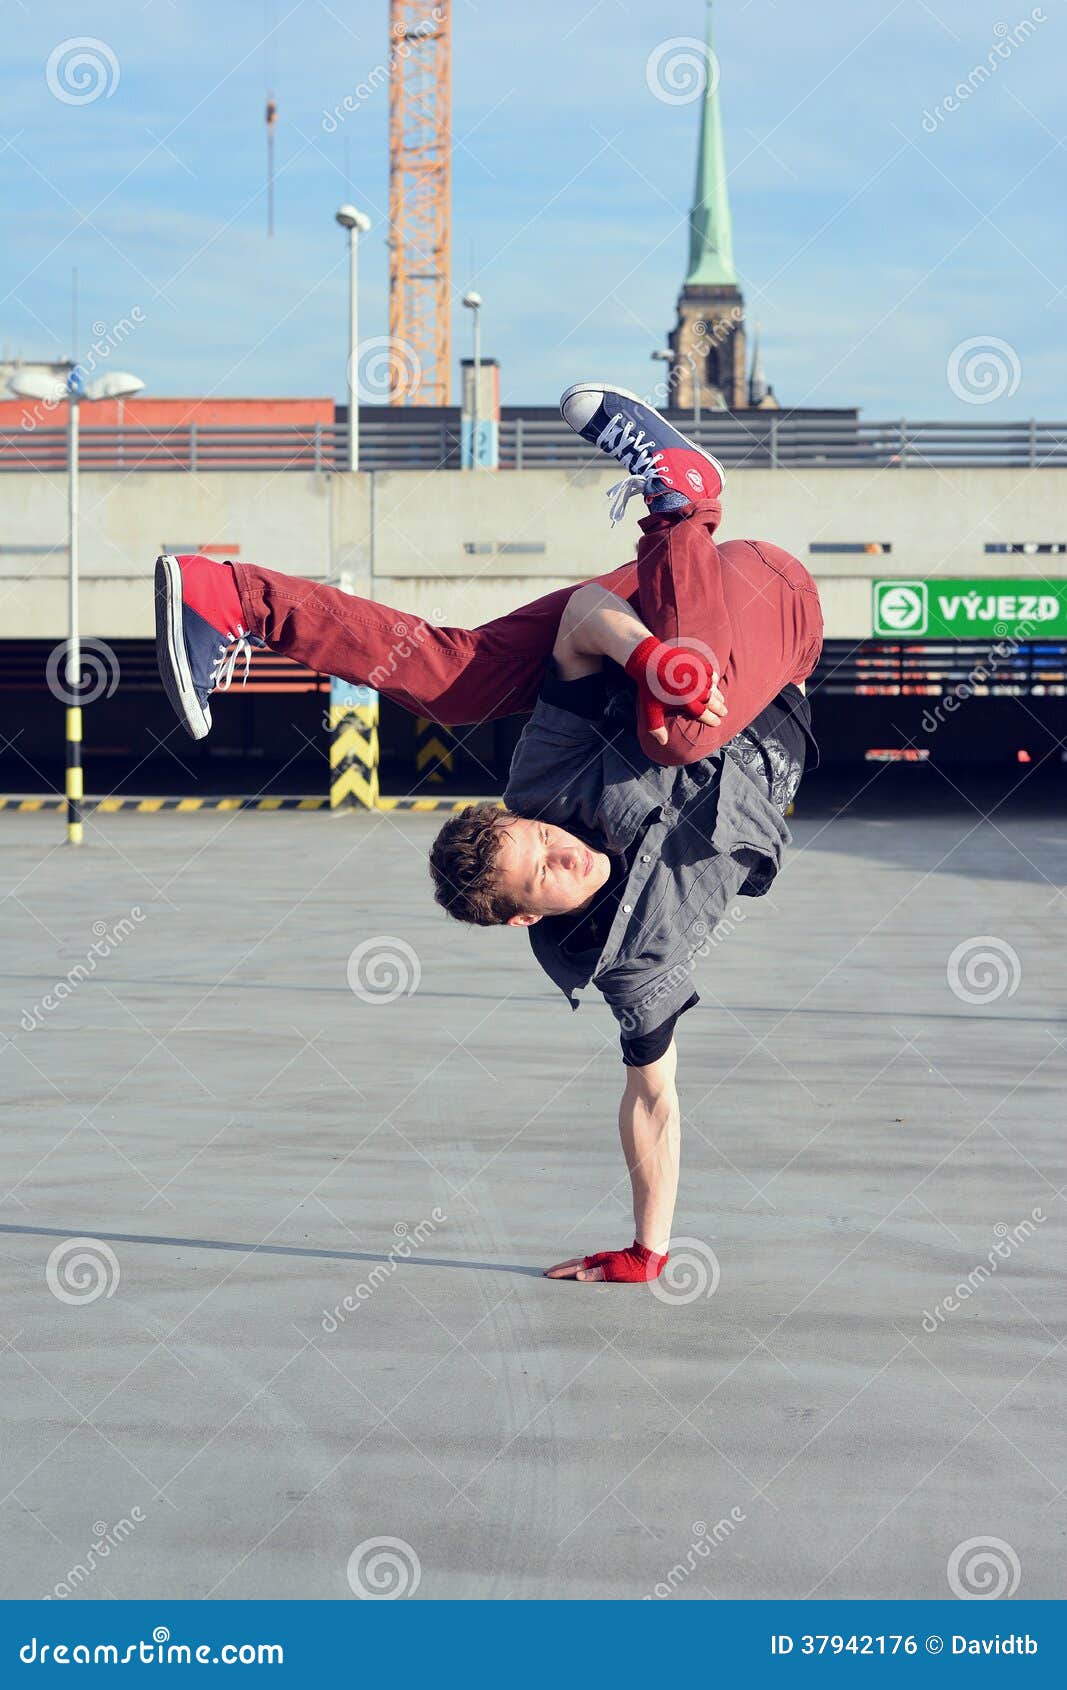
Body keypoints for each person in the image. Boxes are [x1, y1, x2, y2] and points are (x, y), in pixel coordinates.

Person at [154, 382, 823, 1285]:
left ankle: (682, 499)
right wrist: (647, 1250)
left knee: (552, 701)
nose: (564, 849)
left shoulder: (544, 786)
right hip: (776, 629)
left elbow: (584, 621)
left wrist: (643, 657)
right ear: (525, 917)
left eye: (539, 837)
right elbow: (652, 1099)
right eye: (545, 870)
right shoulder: (629, 966)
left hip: (710, 593)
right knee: (581, 705)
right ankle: (229, 594)